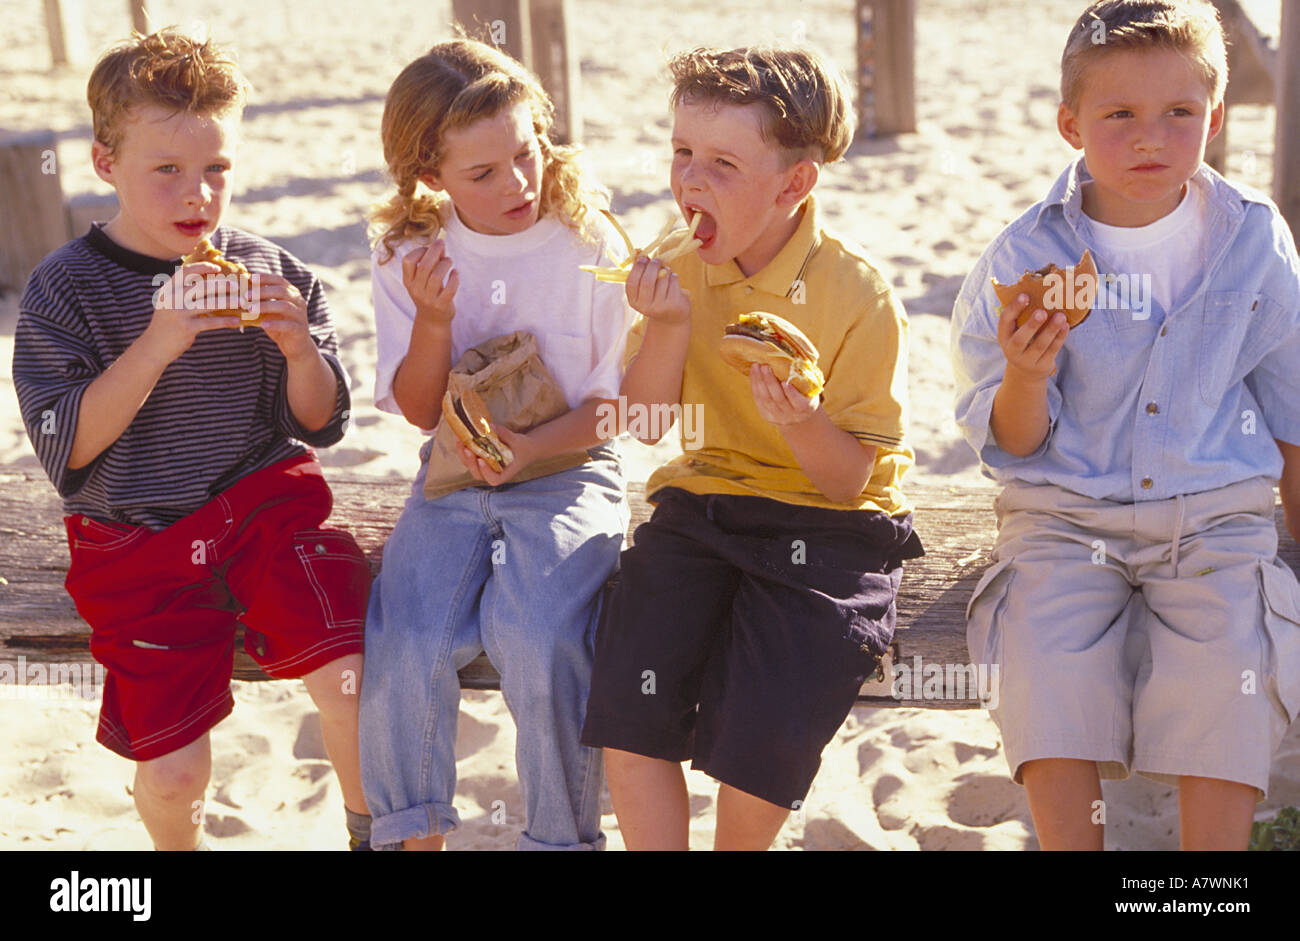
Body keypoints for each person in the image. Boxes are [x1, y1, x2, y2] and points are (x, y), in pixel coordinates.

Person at [951, 0, 1300, 850]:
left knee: (1228, 671)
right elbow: (1014, 443)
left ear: (1213, 118)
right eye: (1120, 115)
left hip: (1214, 514)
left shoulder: (1252, 238)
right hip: (1065, 518)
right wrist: (1028, 371)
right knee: (1045, 658)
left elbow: (1290, 401)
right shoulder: (1025, 258)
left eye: (1179, 113)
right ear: (1071, 124)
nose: (1152, 137)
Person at [11, 28, 371, 850]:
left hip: (268, 511)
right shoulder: (65, 286)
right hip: (134, 535)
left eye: (216, 170)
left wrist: (296, 348)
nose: (197, 196)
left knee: (351, 679)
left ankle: (370, 832)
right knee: (173, 773)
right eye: (166, 170)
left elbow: (322, 421)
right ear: (106, 163)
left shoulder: (272, 269)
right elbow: (64, 450)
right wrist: (160, 339)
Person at [579, 45, 925, 850]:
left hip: (831, 524)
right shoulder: (674, 265)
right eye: (682, 153)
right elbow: (645, 426)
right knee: (629, 708)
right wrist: (667, 326)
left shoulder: (857, 294)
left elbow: (850, 482)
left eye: (722, 163)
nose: (691, 180)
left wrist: (802, 419)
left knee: (769, 722)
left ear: (794, 184)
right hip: (703, 505)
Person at [359, 38, 636, 851]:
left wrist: (530, 448)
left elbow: (619, 408)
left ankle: (559, 837)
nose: (518, 184)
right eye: (482, 173)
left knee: (541, 634)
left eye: (527, 152)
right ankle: (412, 835)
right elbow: (416, 410)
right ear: (429, 176)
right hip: (453, 473)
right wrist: (436, 320)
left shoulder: (591, 246)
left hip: (572, 467)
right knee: (408, 635)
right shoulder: (408, 255)